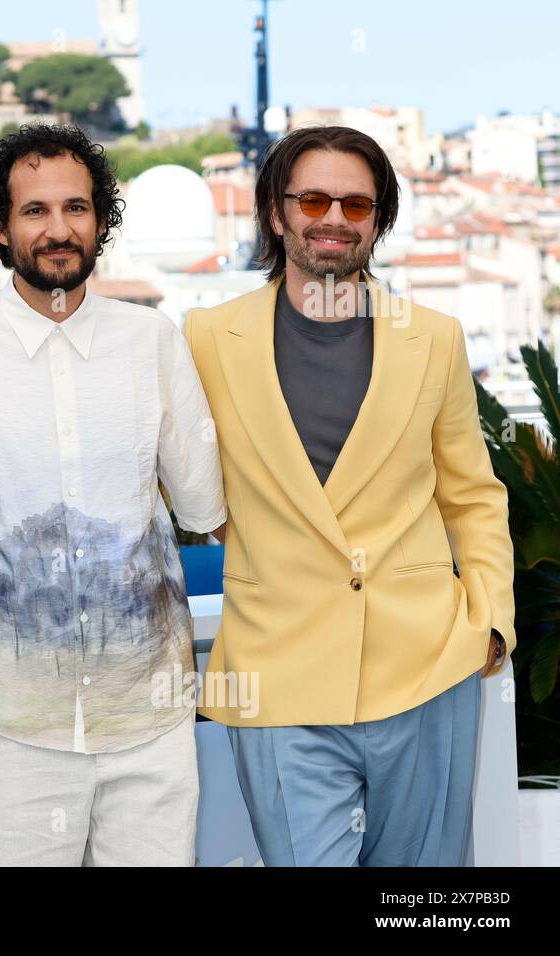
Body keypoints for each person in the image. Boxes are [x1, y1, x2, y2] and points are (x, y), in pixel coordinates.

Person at [0, 124, 227, 866]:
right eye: (34, 211)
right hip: (8, 725)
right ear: (1, 229)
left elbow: (203, 507)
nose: (58, 228)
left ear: (100, 222)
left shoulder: (154, 342)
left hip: (151, 724)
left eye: (76, 207)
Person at [184, 124, 515, 866]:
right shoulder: (206, 337)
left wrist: (489, 621)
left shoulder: (435, 337)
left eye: (357, 204)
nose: (334, 217)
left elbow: (473, 498)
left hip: (427, 667)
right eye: (313, 198)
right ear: (276, 212)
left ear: (379, 219)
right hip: (277, 673)